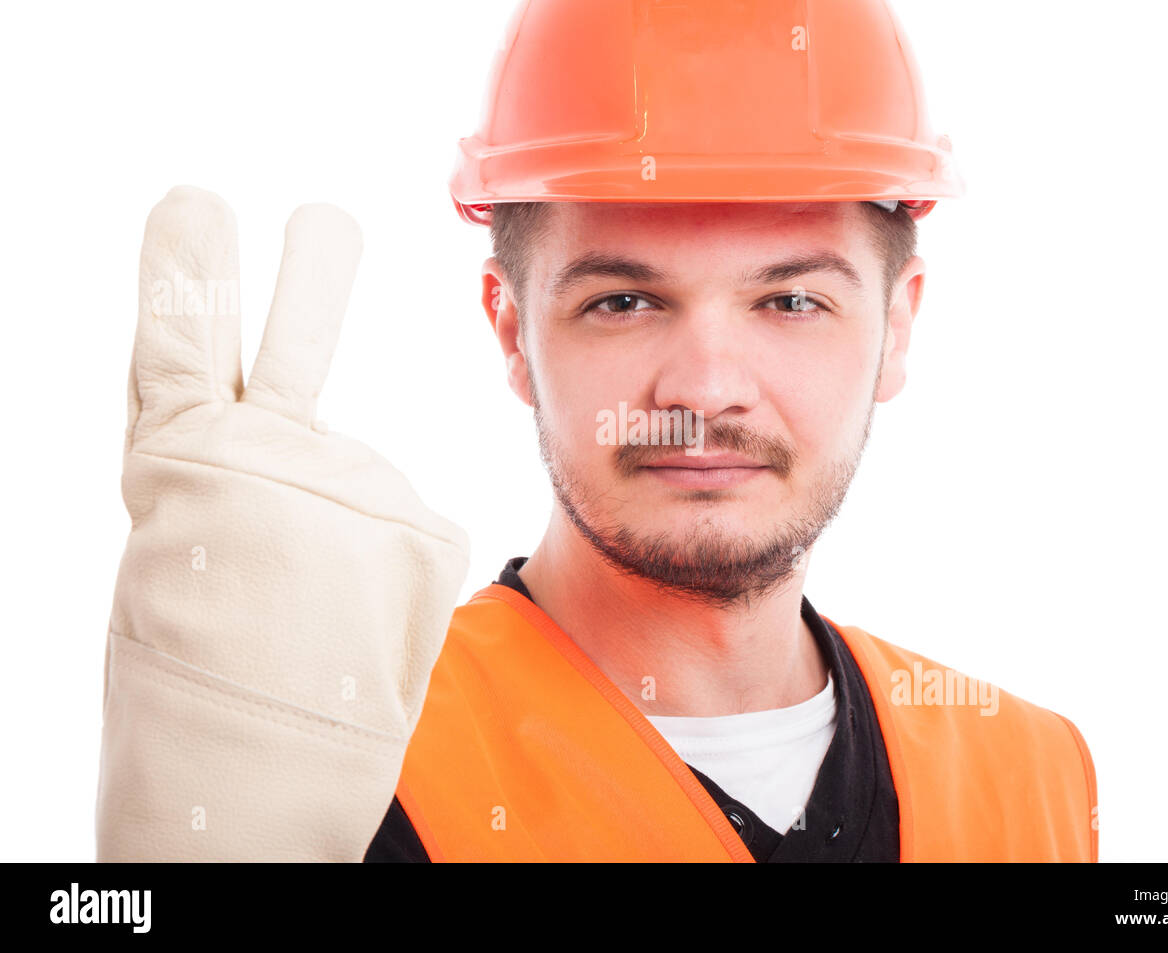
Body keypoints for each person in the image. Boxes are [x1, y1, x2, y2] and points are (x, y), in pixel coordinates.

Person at [96, 0, 1096, 863]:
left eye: (789, 301)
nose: (706, 387)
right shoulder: (344, 744)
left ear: (898, 325)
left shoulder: (1034, 777)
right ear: (510, 327)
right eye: (623, 301)